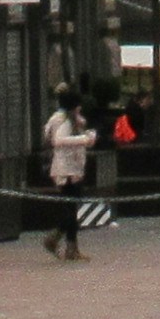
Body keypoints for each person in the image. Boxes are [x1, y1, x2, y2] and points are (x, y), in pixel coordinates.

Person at [40, 90, 98, 258]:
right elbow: (59, 140)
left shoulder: (68, 119)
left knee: (72, 208)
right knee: (71, 208)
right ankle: (57, 239)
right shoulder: (63, 120)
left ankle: (69, 246)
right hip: (66, 170)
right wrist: (84, 139)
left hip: (71, 168)